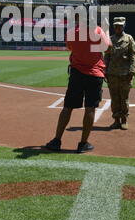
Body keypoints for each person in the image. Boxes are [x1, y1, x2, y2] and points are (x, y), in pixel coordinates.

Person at [45, 12, 111, 153]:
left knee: (68, 107)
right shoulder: (97, 30)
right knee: (90, 108)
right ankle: (83, 144)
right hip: (95, 74)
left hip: (77, 74)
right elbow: (108, 47)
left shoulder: (71, 33)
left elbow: (71, 48)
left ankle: (56, 141)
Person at [104, 17, 135, 130]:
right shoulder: (110, 39)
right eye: (116, 25)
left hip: (125, 75)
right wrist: (105, 71)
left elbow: (133, 56)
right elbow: (107, 57)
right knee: (114, 99)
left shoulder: (129, 39)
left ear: (124, 26)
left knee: (124, 99)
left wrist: (132, 71)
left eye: (120, 25)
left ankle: (124, 120)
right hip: (112, 74)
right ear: (114, 26)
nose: (118, 27)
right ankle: (116, 120)